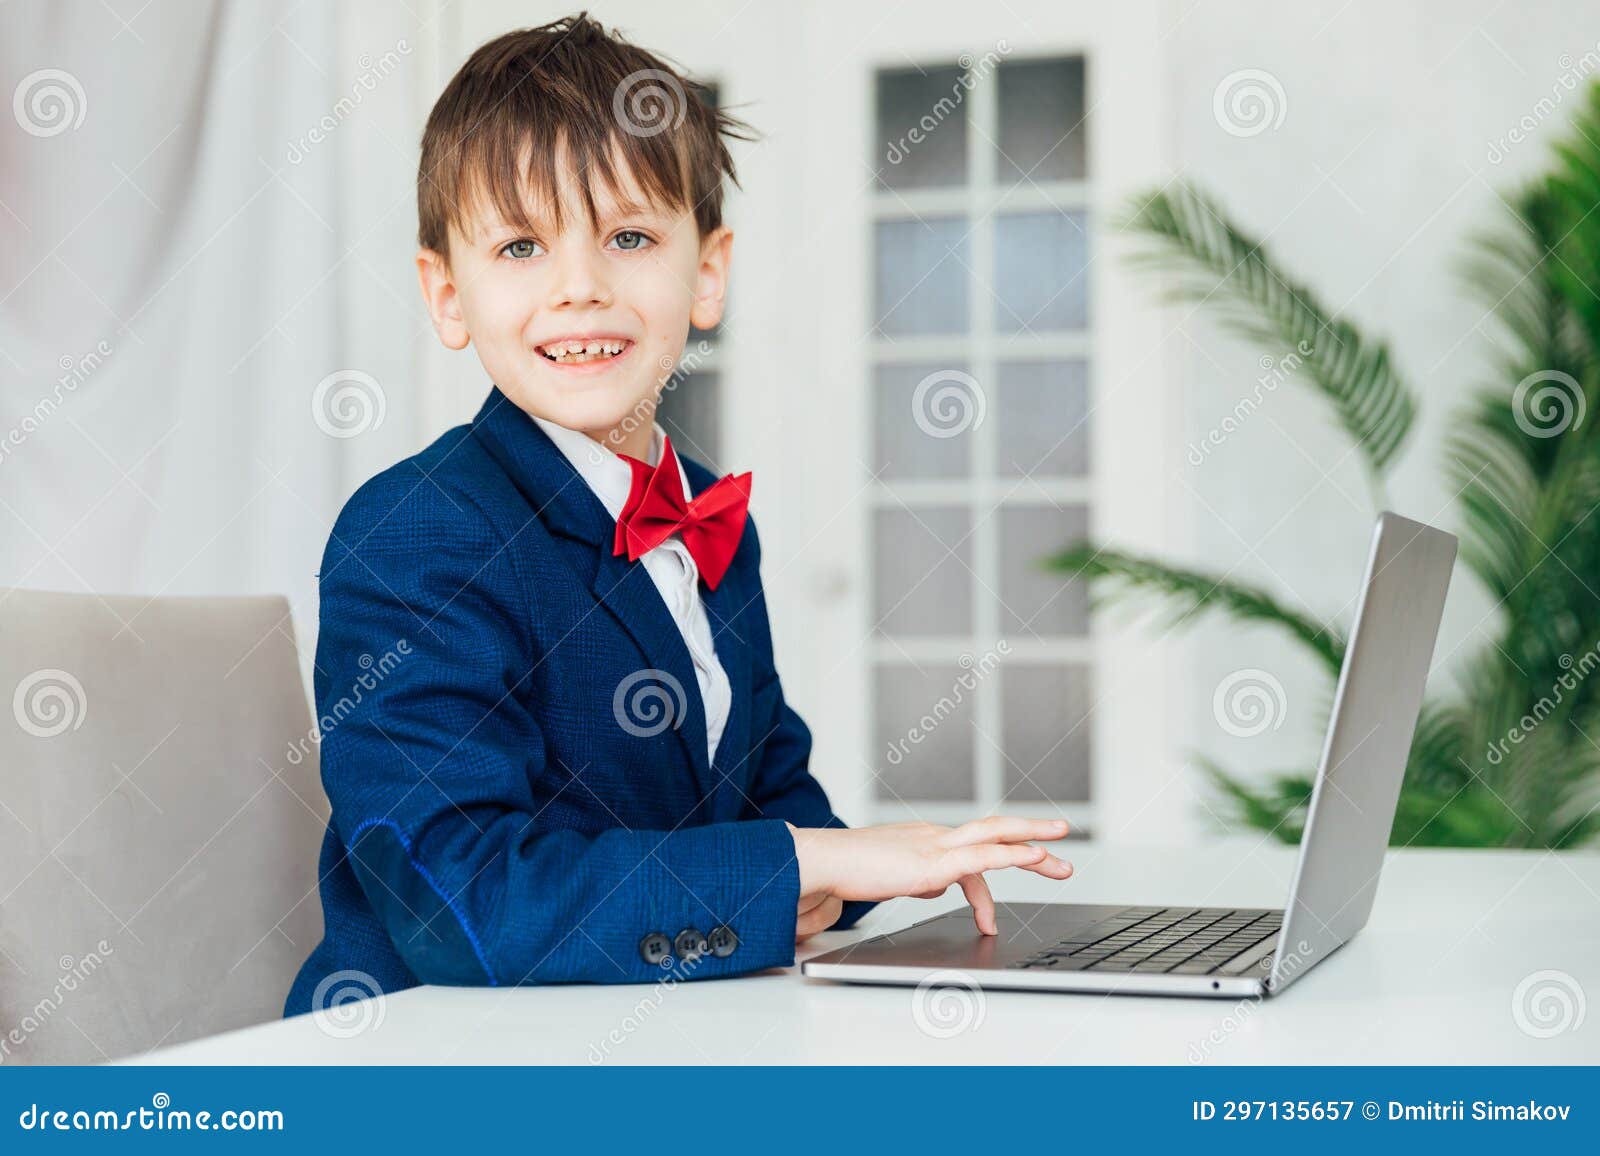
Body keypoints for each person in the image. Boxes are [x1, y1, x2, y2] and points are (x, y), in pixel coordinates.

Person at [285, 12, 1072, 1016]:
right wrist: (792, 869)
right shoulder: (414, 532)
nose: (579, 286)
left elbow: (773, 796)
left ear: (706, 274)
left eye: (629, 237)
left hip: (667, 1023)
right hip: (430, 1063)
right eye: (521, 245)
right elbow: (462, 902)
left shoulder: (707, 512)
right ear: (447, 295)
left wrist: (875, 866)